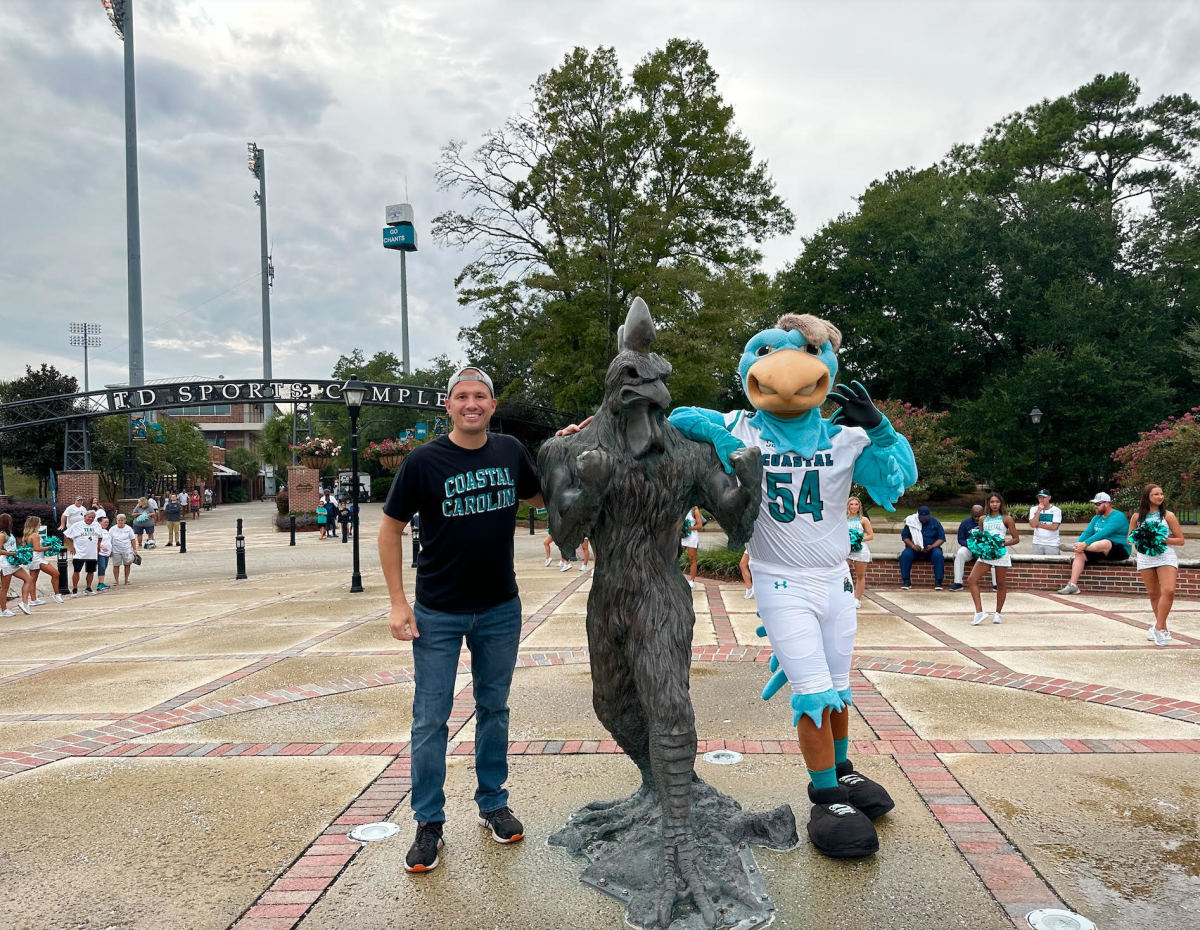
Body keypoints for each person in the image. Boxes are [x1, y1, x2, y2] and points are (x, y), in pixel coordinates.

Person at [378, 365, 542, 874]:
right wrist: (397, 603)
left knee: (494, 708)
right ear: (448, 406)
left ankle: (493, 803)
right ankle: (429, 823)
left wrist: (564, 447)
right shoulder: (423, 462)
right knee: (431, 719)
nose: (472, 404)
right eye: (462, 397)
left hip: (499, 607)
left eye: (481, 397)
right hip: (438, 612)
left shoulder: (511, 452)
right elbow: (388, 531)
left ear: (492, 406)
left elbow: (544, 496)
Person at [1128, 484, 1185, 646]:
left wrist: (1160, 539)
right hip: (1146, 557)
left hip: (1165, 555)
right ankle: (1164, 629)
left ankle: (1158, 628)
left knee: (1169, 590)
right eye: (1155, 494)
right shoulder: (1137, 517)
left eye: (1161, 494)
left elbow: (1181, 540)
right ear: (1147, 497)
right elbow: (1130, 538)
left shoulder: (1168, 516)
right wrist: (1141, 537)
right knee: (1154, 594)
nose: (1160, 497)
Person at [1057, 492, 1130, 594]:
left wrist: (1084, 544)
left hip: (1120, 550)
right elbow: (1087, 532)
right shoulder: (1097, 517)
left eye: (1098, 504)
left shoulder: (1118, 516)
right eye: (1094, 504)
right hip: (1097, 548)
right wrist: (1080, 543)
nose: (1095, 507)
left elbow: (1103, 533)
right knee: (1079, 553)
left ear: (1107, 503)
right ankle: (1072, 585)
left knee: (1106, 542)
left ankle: (1074, 546)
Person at [968, 493, 1020, 625]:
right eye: (992, 502)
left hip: (1000, 553)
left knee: (1000, 584)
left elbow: (1016, 539)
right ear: (988, 504)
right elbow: (981, 537)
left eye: (997, 502)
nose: (995, 504)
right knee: (971, 580)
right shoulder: (983, 519)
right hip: (986, 554)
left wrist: (1002, 543)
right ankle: (979, 612)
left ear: (1001, 503)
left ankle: (998, 613)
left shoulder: (1007, 518)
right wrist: (979, 546)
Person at [898, 505, 946, 590]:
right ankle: (906, 581)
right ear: (918, 515)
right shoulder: (912, 522)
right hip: (915, 549)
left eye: (926, 517)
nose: (924, 519)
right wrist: (913, 546)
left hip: (931, 549)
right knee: (905, 555)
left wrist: (933, 546)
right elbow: (905, 537)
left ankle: (938, 582)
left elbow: (941, 538)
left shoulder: (935, 523)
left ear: (929, 515)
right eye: (922, 517)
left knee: (938, 555)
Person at [950, 505, 994, 592]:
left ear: (983, 513)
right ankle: (958, 583)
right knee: (960, 553)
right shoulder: (965, 523)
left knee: (993, 554)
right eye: (975, 516)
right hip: (969, 548)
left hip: (983, 549)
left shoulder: (989, 522)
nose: (977, 519)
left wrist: (983, 546)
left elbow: (992, 538)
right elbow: (960, 539)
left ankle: (996, 585)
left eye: (979, 516)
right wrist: (971, 546)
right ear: (971, 514)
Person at [23, 517, 64, 605]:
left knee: (33, 579)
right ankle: (56, 595)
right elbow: (37, 548)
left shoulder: (30, 535)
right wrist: (50, 547)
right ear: (35, 524)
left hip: (33, 558)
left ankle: (34, 600)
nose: (40, 524)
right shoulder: (35, 535)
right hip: (37, 558)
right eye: (39, 522)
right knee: (55, 573)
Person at [1, 513, 35, 616]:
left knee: (29, 579)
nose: (11, 522)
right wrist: (13, 553)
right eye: (10, 520)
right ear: (6, 522)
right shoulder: (2, 535)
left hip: (13, 562)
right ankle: (3, 610)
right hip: (6, 563)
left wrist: (20, 552)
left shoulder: (10, 534)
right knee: (4, 588)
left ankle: (24, 603)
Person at [65, 509, 104, 595]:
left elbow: (100, 536)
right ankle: (75, 589)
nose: (90, 519)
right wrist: (71, 547)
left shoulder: (97, 525)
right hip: (79, 553)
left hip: (92, 553)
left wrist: (98, 545)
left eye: (93, 517)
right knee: (77, 570)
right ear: (84, 517)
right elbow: (66, 536)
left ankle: (88, 588)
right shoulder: (77, 525)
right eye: (89, 517)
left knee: (91, 571)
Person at [845, 496, 873, 607]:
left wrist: (858, 539)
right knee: (843, 573)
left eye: (856, 504)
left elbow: (871, 536)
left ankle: (857, 598)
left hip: (860, 550)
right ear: (848, 506)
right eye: (851, 504)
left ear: (859, 506)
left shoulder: (863, 520)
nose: (854, 506)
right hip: (846, 550)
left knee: (860, 575)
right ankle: (845, 596)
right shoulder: (843, 519)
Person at [106, 513, 139, 585]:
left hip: (127, 549)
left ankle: (126, 579)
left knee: (127, 564)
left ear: (125, 521)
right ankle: (116, 580)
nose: (120, 522)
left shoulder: (128, 528)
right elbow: (109, 540)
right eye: (119, 520)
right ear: (116, 520)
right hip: (116, 549)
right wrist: (110, 550)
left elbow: (132, 539)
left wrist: (134, 549)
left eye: (122, 520)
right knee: (116, 565)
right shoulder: (112, 529)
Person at [1027, 490, 1063, 555]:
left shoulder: (1056, 510)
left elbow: (1054, 527)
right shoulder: (1033, 509)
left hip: (1052, 543)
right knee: (1036, 564)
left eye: (1043, 497)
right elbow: (1032, 525)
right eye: (1039, 497)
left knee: (1053, 564)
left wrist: (1038, 524)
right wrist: (1038, 511)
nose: (1041, 499)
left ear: (1049, 498)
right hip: (1037, 542)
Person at [681, 506, 703, 588]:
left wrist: (688, 528)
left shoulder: (695, 510)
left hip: (692, 538)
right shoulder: (681, 508)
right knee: (676, 557)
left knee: (692, 559)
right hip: (682, 537)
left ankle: (692, 580)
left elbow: (700, 525)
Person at [94, 516, 113, 591]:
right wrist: (101, 547)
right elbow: (95, 541)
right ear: (99, 522)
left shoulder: (106, 531)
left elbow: (109, 542)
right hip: (100, 553)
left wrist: (110, 550)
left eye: (107, 522)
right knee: (101, 567)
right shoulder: (97, 531)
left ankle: (101, 582)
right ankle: (100, 584)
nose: (106, 524)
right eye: (105, 522)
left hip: (107, 553)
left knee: (104, 567)